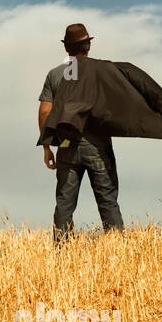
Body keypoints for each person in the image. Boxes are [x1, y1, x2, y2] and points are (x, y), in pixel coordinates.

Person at [38, 23, 124, 243]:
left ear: (66, 48)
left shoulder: (55, 75)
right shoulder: (103, 71)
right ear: (88, 46)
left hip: (66, 145)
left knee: (64, 203)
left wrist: (48, 147)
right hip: (98, 146)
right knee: (107, 200)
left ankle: (62, 253)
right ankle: (117, 251)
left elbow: (45, 113)